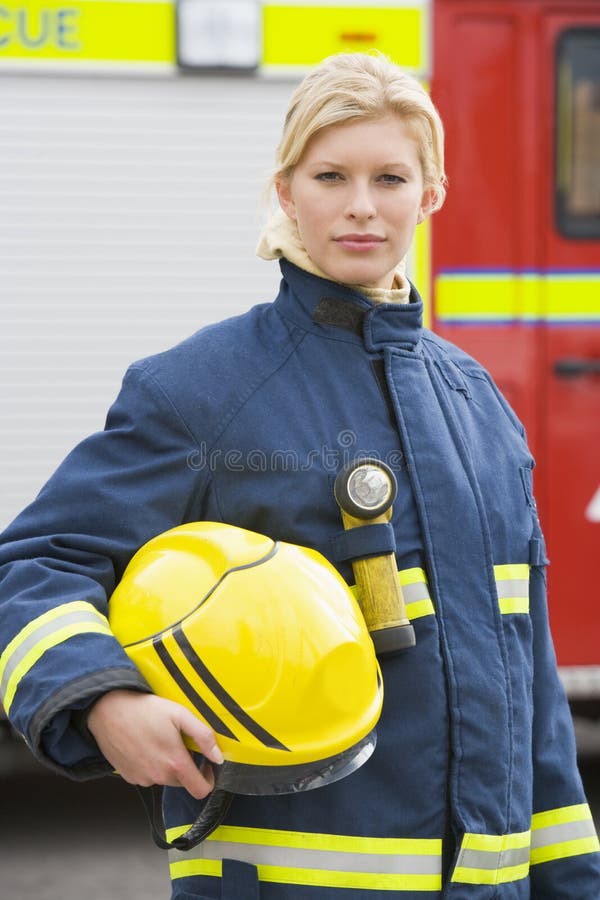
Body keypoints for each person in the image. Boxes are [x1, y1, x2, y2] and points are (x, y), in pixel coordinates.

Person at [0, 51, 598, 900]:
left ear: (430, 194)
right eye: (331, 176)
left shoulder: (481, 409)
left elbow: (534, 702)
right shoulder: (203, 394)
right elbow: (34, 564)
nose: (361, 206)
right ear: (287, 193)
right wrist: (103, 701)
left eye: (390, 177)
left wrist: (573, 883)